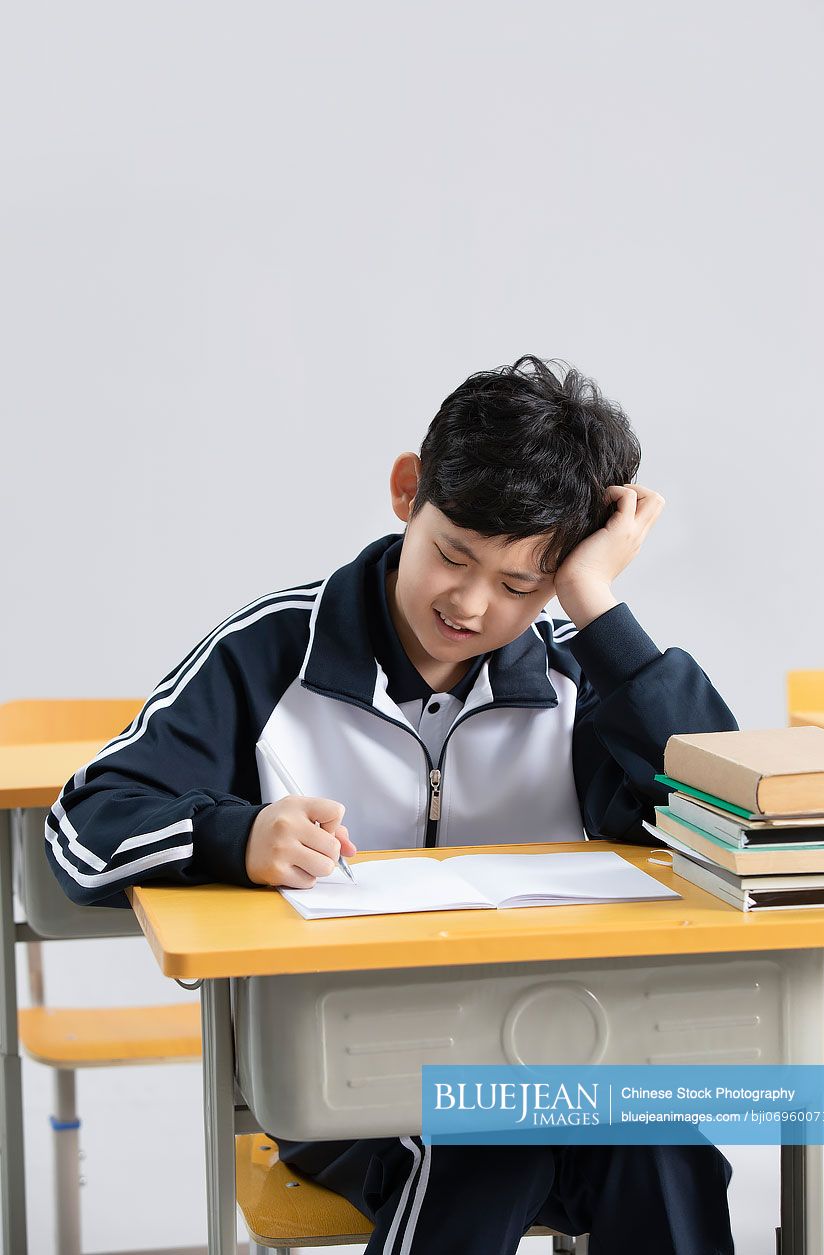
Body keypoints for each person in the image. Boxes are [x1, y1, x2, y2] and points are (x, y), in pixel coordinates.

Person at [46, 355, 738, 1253]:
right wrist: (235, 835)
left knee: (667, 1153)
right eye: (452, 553)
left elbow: (729, 819)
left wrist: (595, 606)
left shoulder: (578, 666)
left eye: (520, 584)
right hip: (337, 1071)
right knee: (483, 1145)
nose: (470, 603)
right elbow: (85, 823)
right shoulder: (271, 652)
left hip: (559, 1048)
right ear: (408, 491)